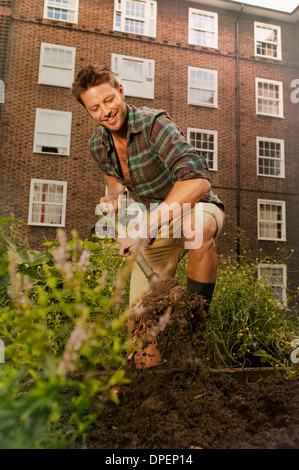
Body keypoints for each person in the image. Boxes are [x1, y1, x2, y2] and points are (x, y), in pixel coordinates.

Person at [71, 65, 225, 367]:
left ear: (121, 92)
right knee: (141, 327)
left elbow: (198, 180)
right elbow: (114, 183)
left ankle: (192, 328)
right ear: (88, 112)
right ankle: (151, 389)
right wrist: (112, 202)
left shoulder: (155, 124)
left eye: (109, 100)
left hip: (194, 207)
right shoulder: (97, 145)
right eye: (95, 108)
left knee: (197, 229)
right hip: (156, 225)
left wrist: (142, 228)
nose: (106, 111)